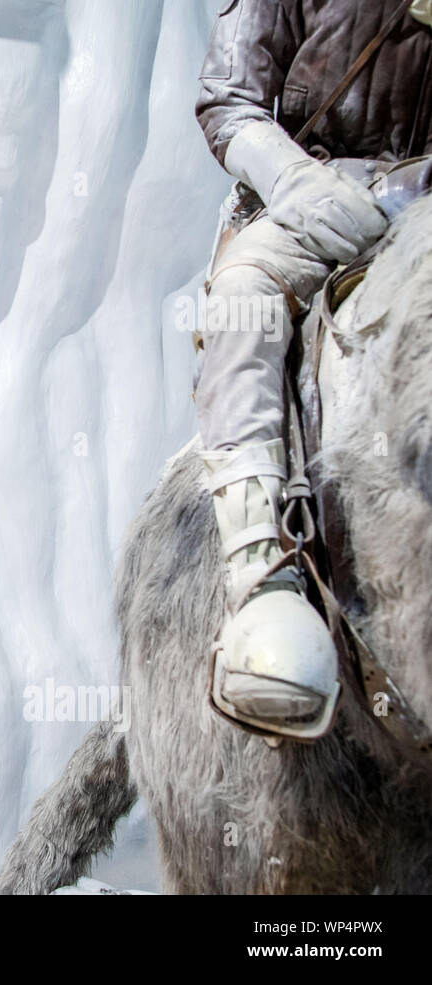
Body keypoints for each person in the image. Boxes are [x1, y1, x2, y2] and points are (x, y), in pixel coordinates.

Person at [193, 0, 431, 738]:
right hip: (316, 197)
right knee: (242, 299)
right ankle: (261, 569)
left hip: (425, 203)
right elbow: (229, 99)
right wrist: (296, 182)